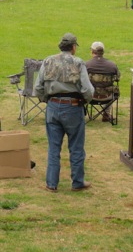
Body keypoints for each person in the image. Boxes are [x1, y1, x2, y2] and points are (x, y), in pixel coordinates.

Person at [34, 33, 94, 192]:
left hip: (53, 107)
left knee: (54, 147)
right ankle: (77, 182)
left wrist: (47, 100)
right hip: (73, 107)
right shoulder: (78, 63)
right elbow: (87, 89)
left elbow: (37, 88)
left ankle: (51, 184)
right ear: (74, 47)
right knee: (76, 147)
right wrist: (85, 100)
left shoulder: (48, 61)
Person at [84, 41, 120, 123]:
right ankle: (106, 114)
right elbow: (118, 78)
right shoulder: (112, 65)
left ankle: (82, 113)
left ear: (92, 51)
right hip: (107, 97)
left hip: (91, 96)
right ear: (103, 52)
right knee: (111, 88)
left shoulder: (87, 65)